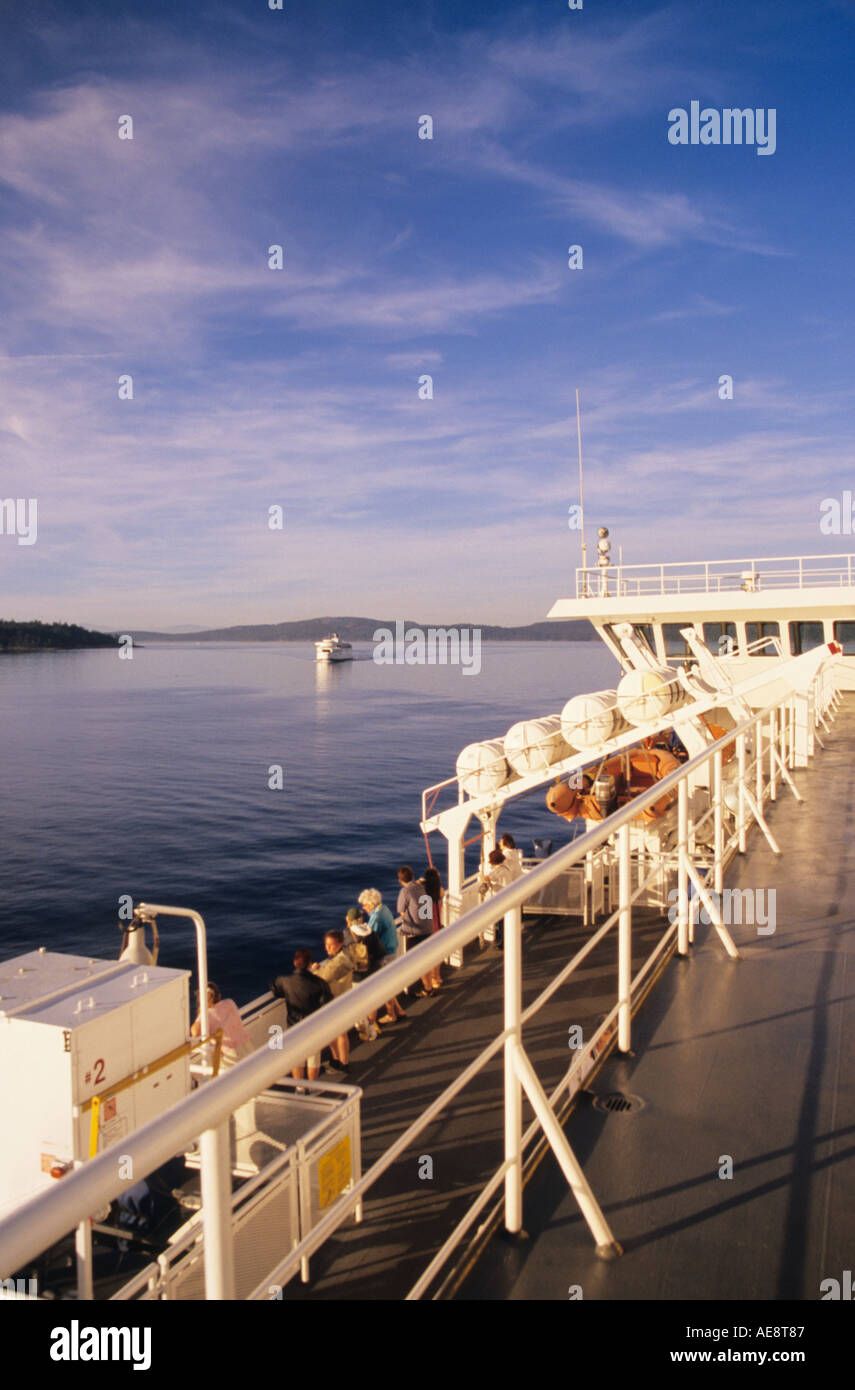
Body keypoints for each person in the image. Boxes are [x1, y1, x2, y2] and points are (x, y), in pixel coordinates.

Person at [271, 948, 332, 1081]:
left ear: (295, 963)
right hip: (313, 1026)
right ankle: (312, 1088)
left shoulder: (285, 981)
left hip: (294, 1026)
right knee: (313, 1058)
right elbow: (327, 1002)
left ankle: (299, 1088)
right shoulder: (319, 983)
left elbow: (274, 988)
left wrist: (286, 994)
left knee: (296, 1058)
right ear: (310, 964)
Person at [358, 889, 407, 1024]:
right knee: (388, 985)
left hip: (385, 954)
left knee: (384, 987)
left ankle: (391, 1014)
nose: (363, 908)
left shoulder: (377, 917)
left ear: (371, 903)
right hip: (392, 950)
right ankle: (399, 1010)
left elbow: (369, 935)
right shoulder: (384, 909)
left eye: (365, 905)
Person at [311, 930, 355, 1072]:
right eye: (326, 945)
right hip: (344, 996)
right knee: (338, 1033)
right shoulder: (346, 954)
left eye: (330, 945)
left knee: (338, 1033)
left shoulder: (338, 962)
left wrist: (315, 969)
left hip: (335, 1000)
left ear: (340, 944)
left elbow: (322, 977)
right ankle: (338, 1061)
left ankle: (342, 1063)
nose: (327, 949)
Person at [343, 907, 385, 1040]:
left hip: (356, 975)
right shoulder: (370, 932)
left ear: (348, 920)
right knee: (372, 1002)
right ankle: (372, 1028)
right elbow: (380, 953)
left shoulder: (346, 934)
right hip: (372, 972)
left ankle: (361, 1025)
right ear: (361, 918)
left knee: (357, 1003)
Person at [190, 981, 252, 1066]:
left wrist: (201, 1012)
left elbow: (195, 1032)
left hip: (229, 1055)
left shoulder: (206, 1015)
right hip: (246, 1045)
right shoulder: (230, 1003)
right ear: (219, 995)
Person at [397, 865, 434, 998]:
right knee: (425, 960)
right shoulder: (421, 887)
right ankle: (429, 985)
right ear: (412, 876)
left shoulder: (405, 891)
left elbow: (401, 911)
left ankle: (426, 988)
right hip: (428, 928)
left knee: (418, 962)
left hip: (415, 932)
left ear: (400, 881)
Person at [479, 848, 515, 950]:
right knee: (505, 923)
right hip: (508, 897)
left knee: (500, 924)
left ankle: (502, 944)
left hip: (500, 900)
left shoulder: (497, 871)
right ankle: (507, 941)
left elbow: (487, 878)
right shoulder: (506, 866)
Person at [420, 865, 445, 993]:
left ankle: (432, 981)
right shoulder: (440, 891)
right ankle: (437, 977)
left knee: (428, 958)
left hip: (429, 930)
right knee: (437, 956)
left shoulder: (425, 896)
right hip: (438, 928)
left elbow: (424, 916)